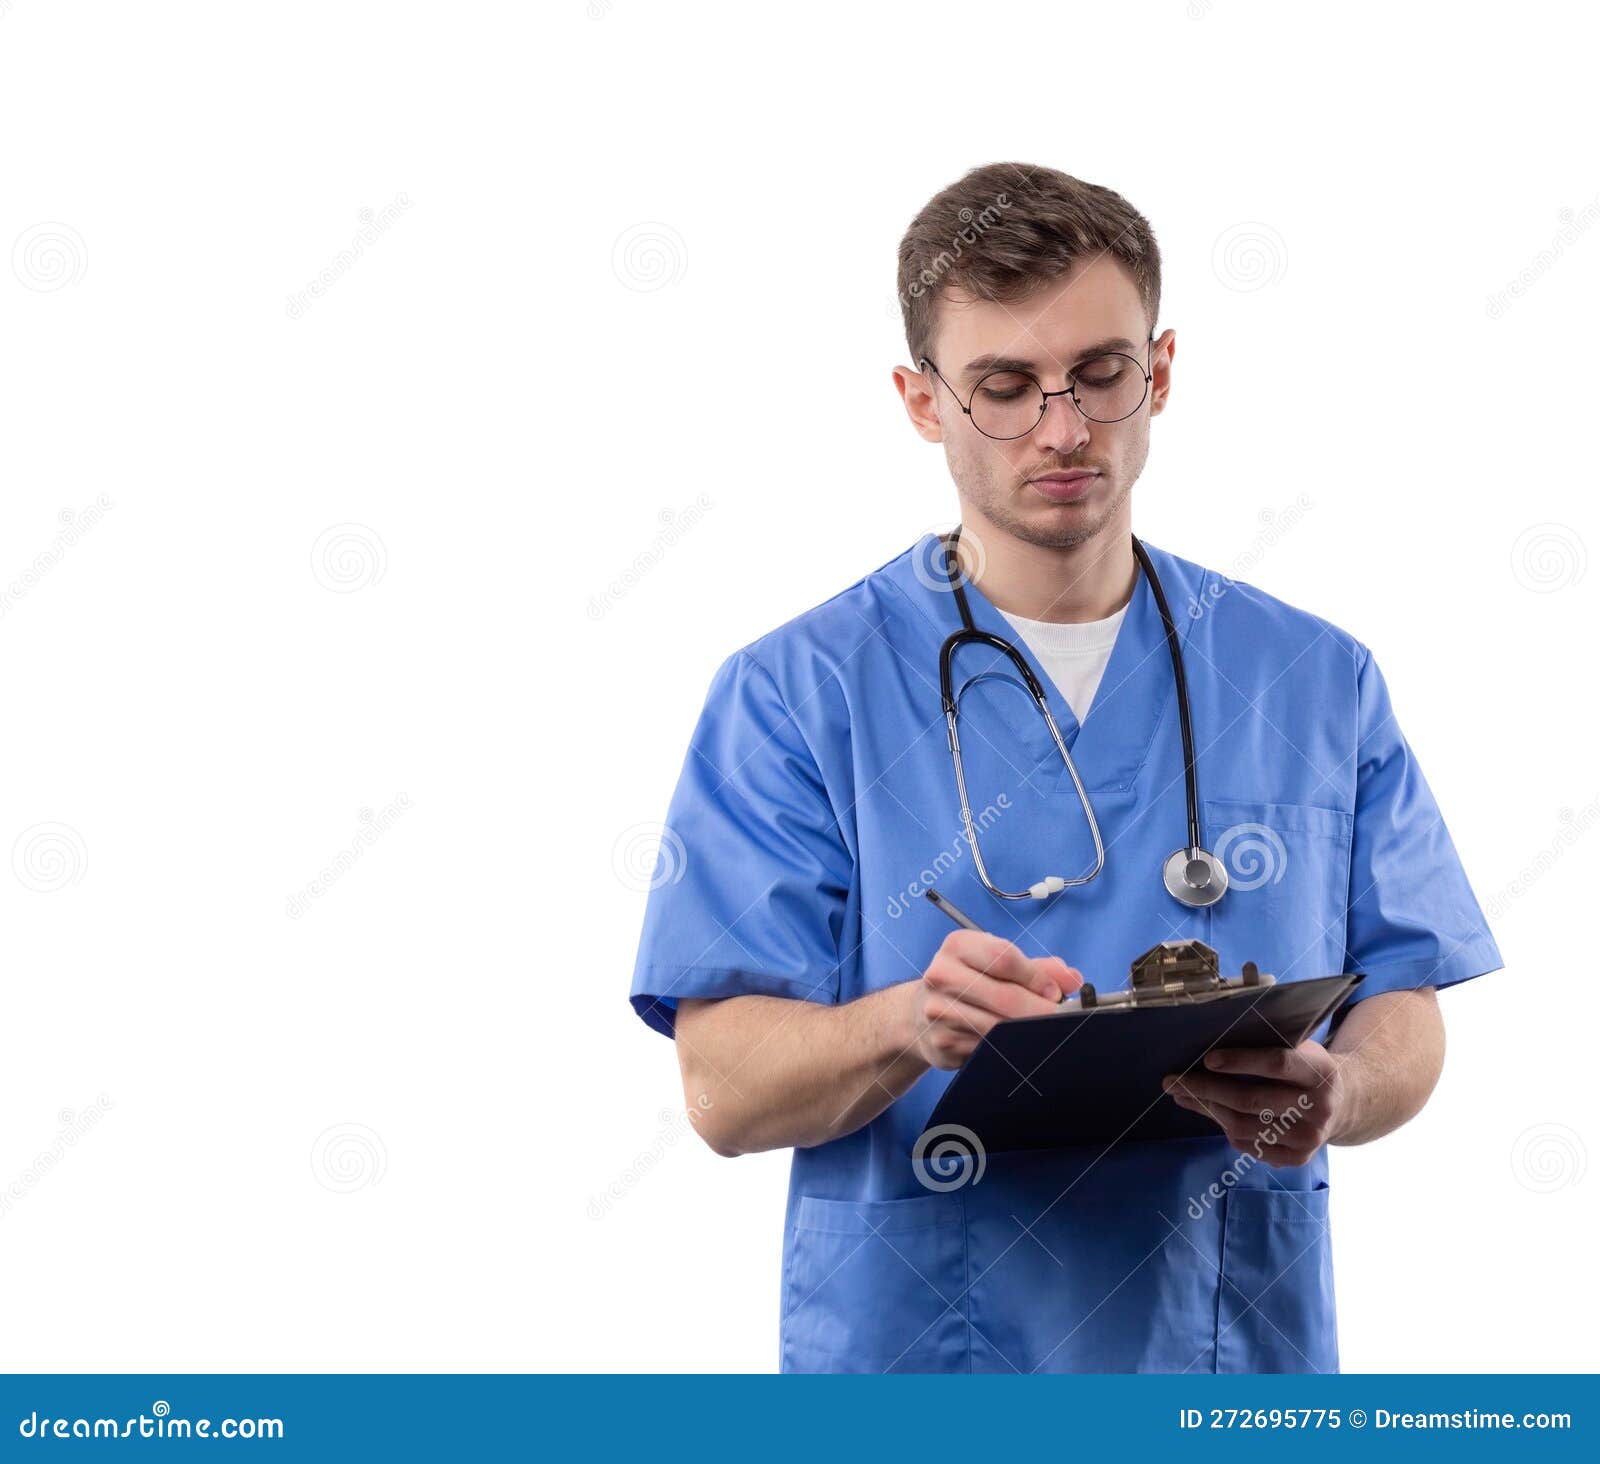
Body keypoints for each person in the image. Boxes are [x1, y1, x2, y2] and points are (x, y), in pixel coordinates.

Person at [626, 162, 1502, 1374]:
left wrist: (1336, 1096)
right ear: (921, 402)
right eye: (1003, 387)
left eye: (1101, 374)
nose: (1063, 428)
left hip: (1227, 1356)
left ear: (1162, 370)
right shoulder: (796, 693)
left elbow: (1403, 998)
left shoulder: (1311, 677)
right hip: (930, 1360)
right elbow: (722, 1092)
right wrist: (903, 1025)